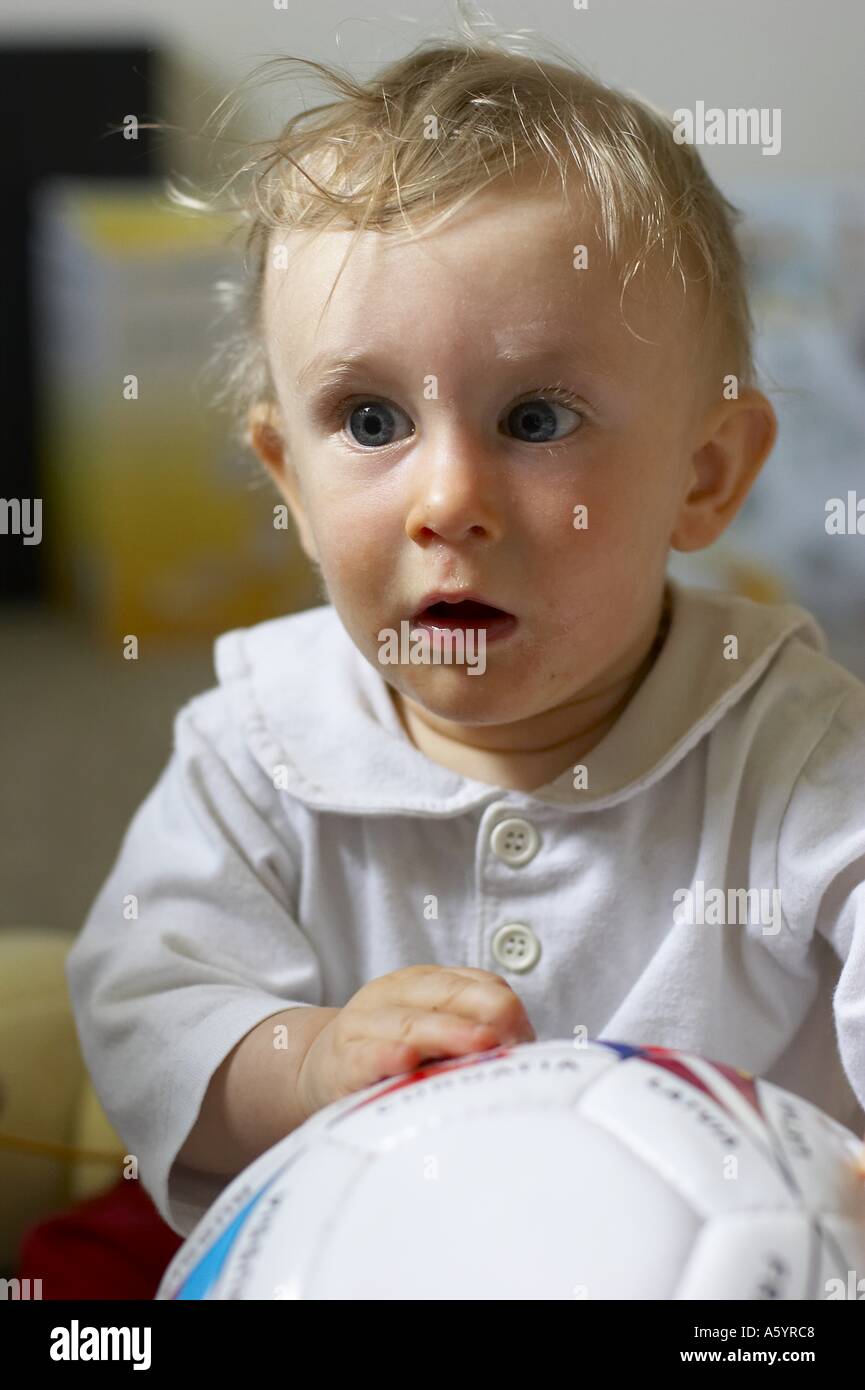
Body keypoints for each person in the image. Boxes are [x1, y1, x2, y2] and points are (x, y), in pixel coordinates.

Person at [66, 27, 865, 1239]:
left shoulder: (801, 749)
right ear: (286, 474)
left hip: (707, 1264)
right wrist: (312, 1057)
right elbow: (150, 1001)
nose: (447, 500)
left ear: (703, 475)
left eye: (536, 417)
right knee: (89, 1257)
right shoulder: (256, 743)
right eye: (370, 417)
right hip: (361, 1236)